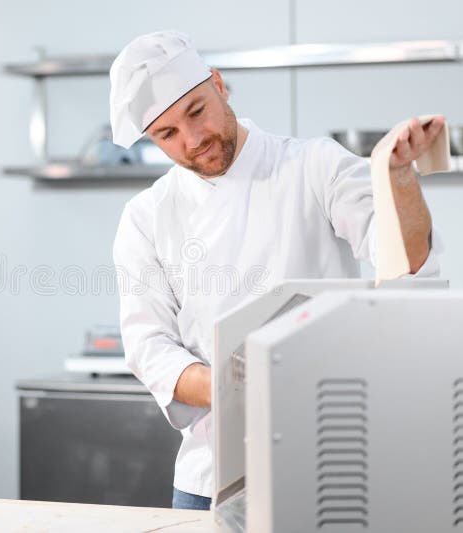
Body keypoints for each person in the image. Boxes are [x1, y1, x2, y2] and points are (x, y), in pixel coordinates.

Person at [110, 30, 444, 511]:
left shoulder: (314, 166)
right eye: (167, 134)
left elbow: (408, 264)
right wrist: (242, 385)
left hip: (336, 463)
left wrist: (400, 180)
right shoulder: (146, 216)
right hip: (212, 475)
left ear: (219, 85)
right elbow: (149, 348)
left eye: (197, 112)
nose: (193, 139)